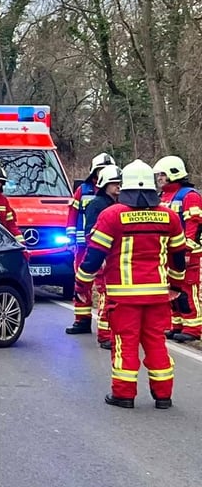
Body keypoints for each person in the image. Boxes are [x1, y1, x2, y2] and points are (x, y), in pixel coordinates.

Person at [75, 160, 187, 409]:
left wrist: (81, 284)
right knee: (156, 343)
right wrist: (176, 287)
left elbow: (93, 257)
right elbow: (179, 257)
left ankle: (124, 394)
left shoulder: (112, 215)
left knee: (125, 344)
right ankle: (163, 396)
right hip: (158, 296)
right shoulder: (168, 216)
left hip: (123, 298)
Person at [67, 165, 121, 346]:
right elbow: (90, 230)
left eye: (119, 183)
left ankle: (107, 331)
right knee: (97, 289)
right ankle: (102, 333)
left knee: (108, 293)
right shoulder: (96, 203)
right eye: (114, 184)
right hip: (96, 253)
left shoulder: (116, 203)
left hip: (109, 256)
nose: (118, 187)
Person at [154, 155, 202, 342]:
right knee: (172, 289)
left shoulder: (189, 196)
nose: (159, 178)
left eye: (162, 175)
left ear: (174, 174)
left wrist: (187, 250)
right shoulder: (163, 197)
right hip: (168, 252)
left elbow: (194, 225)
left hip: (187, 253)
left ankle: (193, 328)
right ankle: (177, 324)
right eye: (158, 175)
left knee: (188, 290)